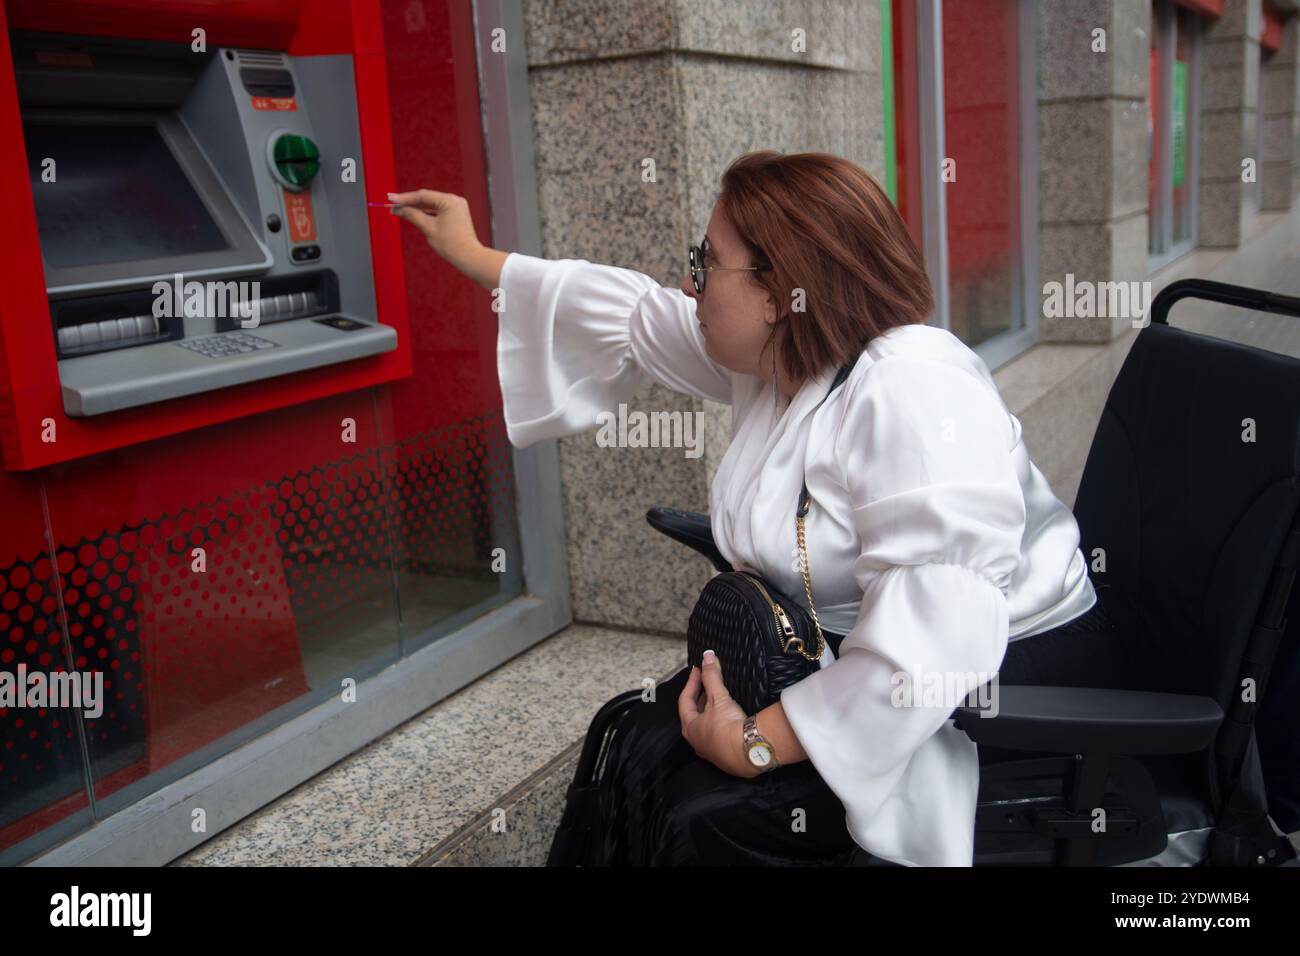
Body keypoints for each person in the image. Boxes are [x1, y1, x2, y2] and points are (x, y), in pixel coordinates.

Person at [388, 150, 1116, 867]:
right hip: (851, 662)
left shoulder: (915, 389)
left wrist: (754, 742)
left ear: (781, 291)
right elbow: (639, 314)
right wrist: (474, 254)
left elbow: (939, 635)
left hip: (994, 680)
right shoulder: (783, 361)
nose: (688, 282)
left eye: (705, 266)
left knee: (714, 816)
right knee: (646, 739)